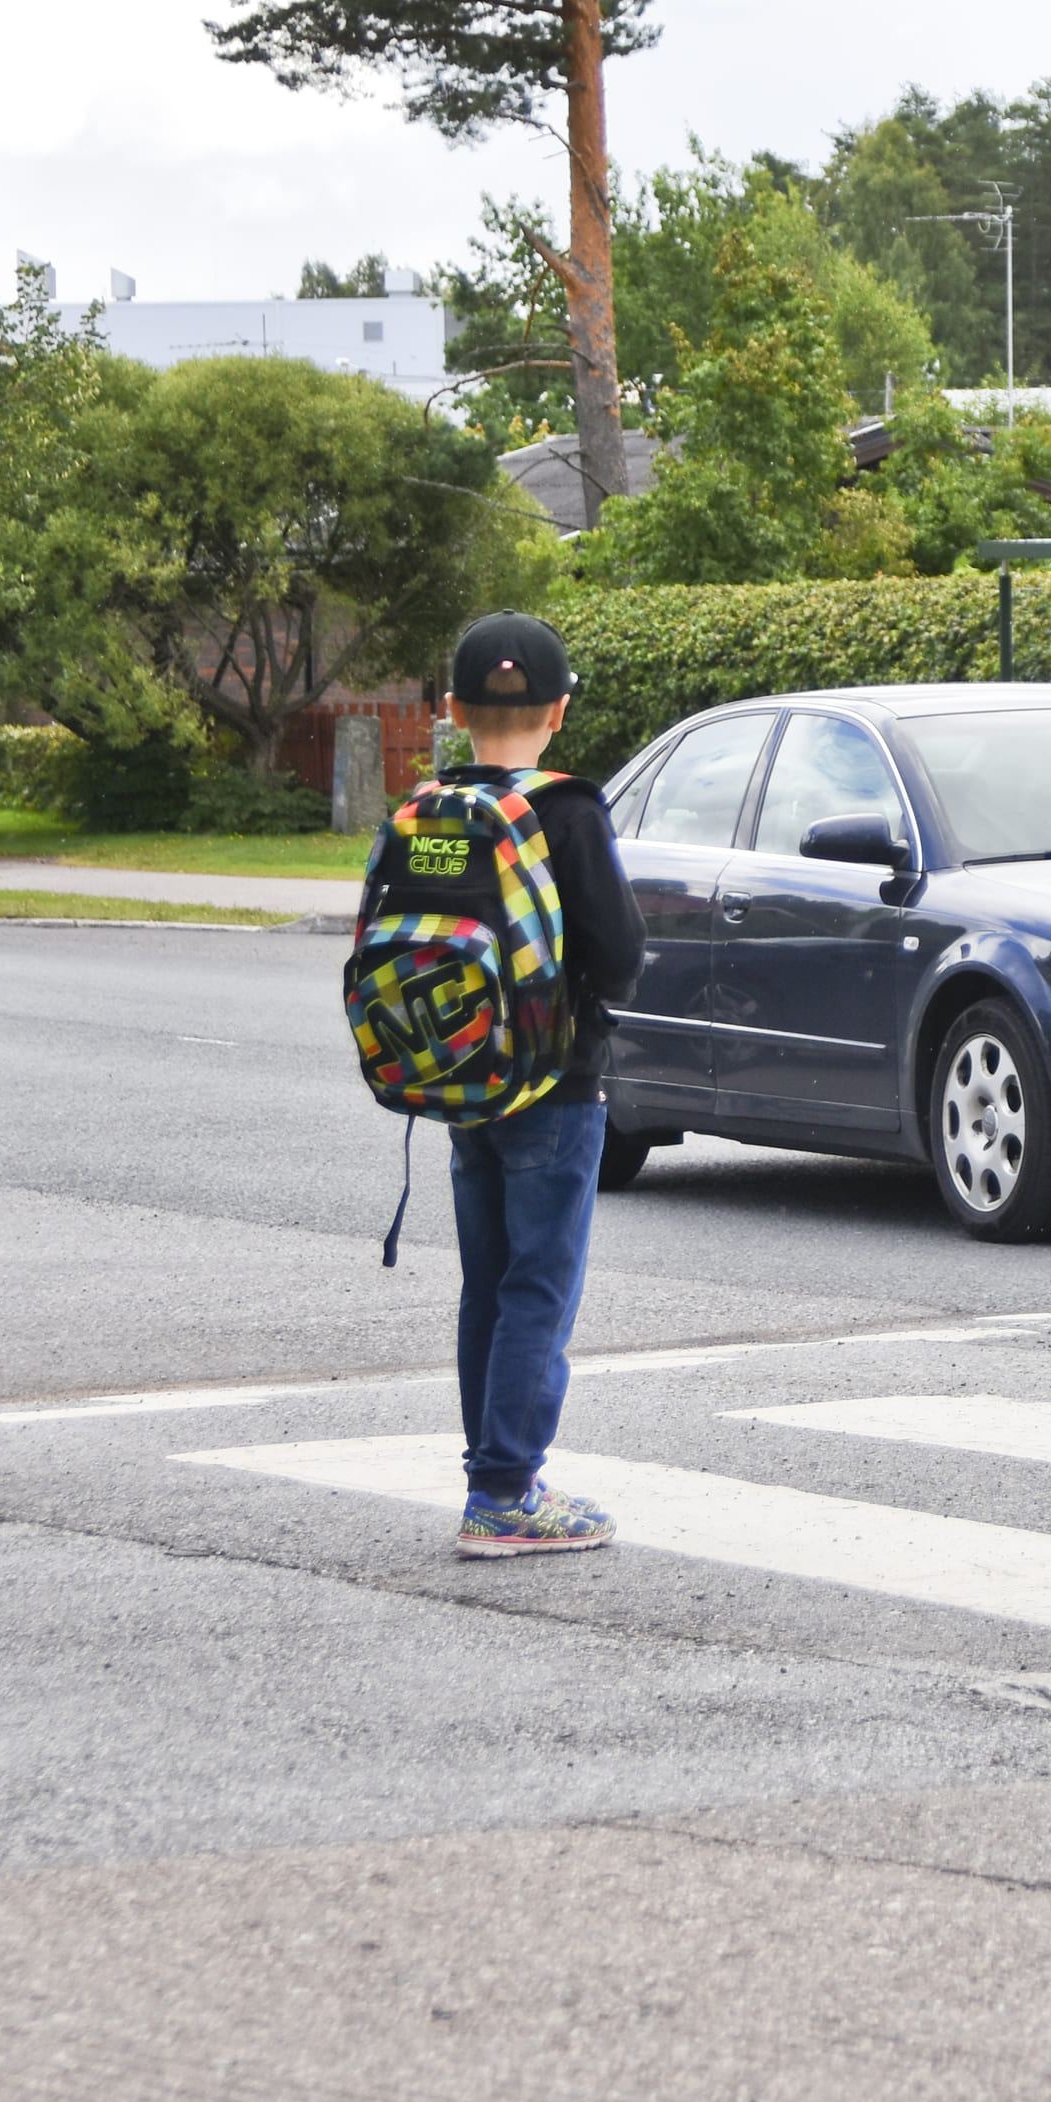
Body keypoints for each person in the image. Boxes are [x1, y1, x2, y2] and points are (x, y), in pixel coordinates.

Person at [423, 613, 643, 1559]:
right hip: (556, 1086)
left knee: (489, 1284)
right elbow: (621, 956)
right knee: (540, 1287)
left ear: (450, 710)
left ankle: (493, 1470)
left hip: (461, 1083)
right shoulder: (569, 810)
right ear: (558, 710)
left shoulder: (431, 809)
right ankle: (506, 1496)